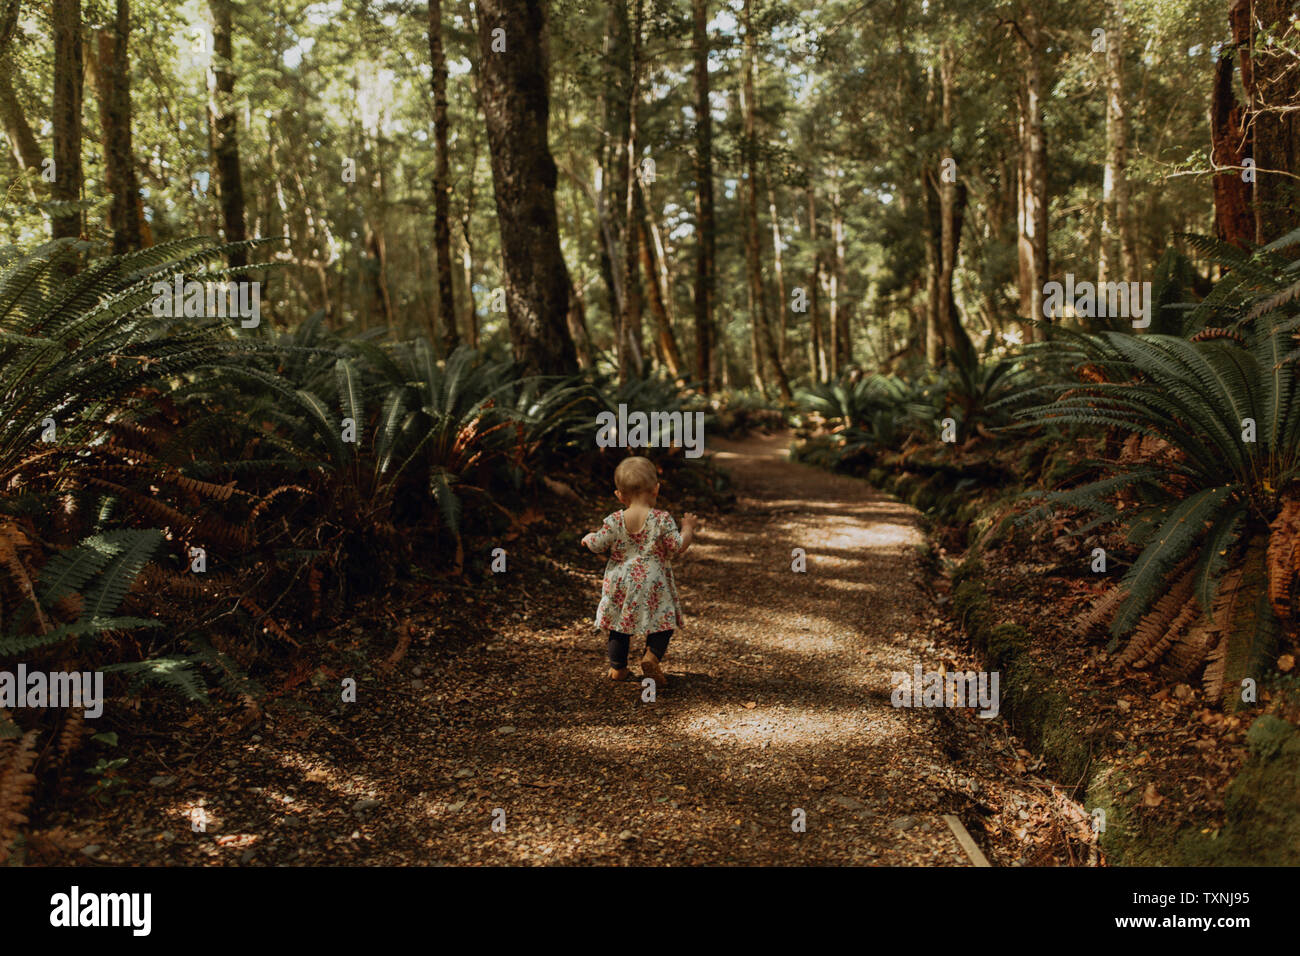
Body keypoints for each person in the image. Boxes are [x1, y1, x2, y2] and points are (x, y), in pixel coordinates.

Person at [580, 456, 700, 686]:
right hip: (653, 581)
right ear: (656, 489)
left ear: (619, 495)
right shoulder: (662, 519)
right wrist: (687, 528)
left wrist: (588, 538)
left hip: (620, 581)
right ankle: (651, 657)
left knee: (618, 625)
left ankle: (618, 669)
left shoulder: (614, 520)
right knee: (663, 623)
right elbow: (678, 546)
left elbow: (598, 544)